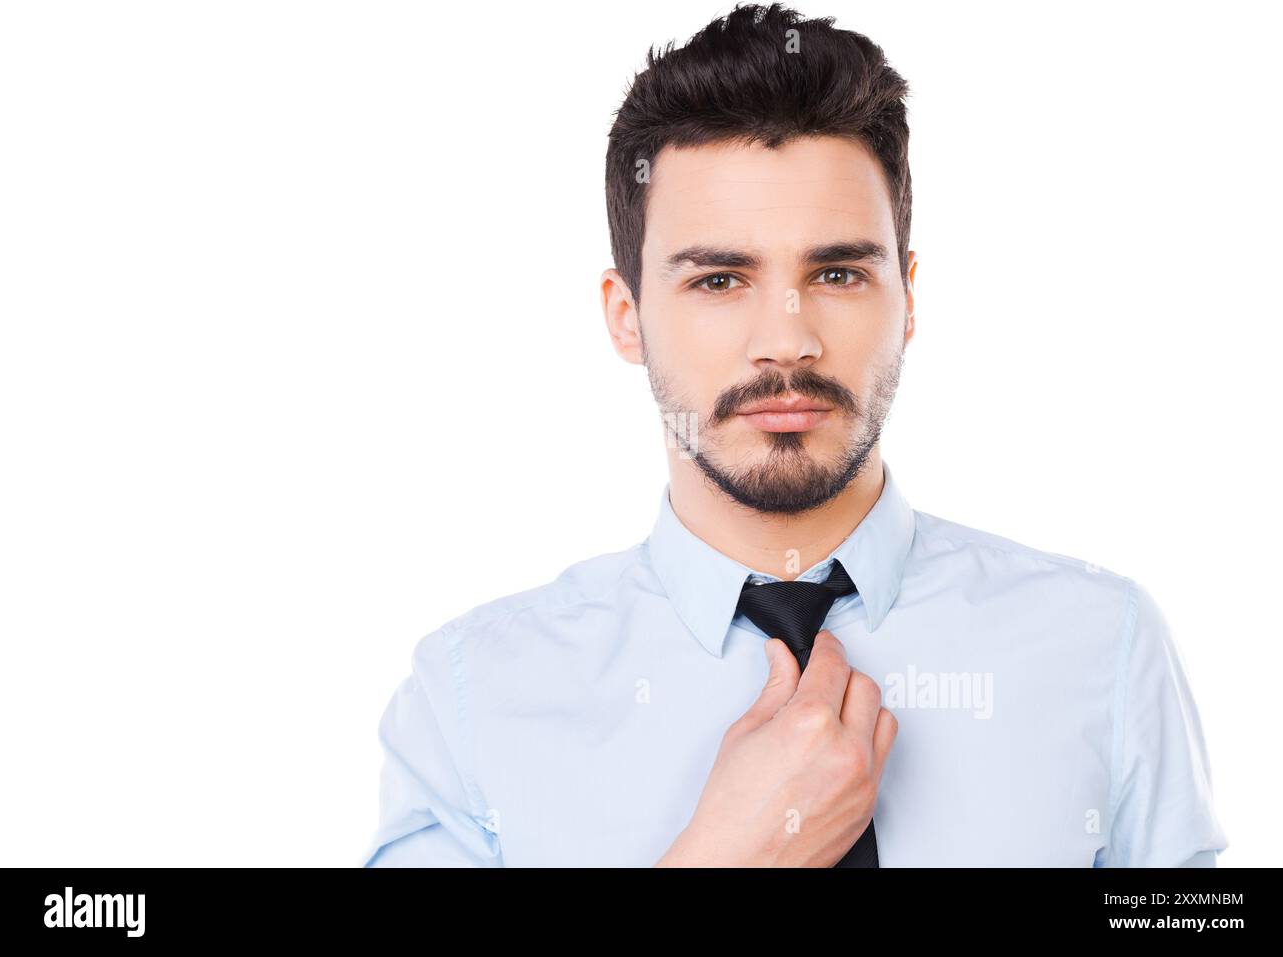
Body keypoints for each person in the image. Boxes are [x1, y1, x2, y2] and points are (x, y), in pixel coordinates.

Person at [361, 2, 1227, 867]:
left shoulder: (1102, 644)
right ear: (626, 318)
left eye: (839, 272)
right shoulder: (469, 705)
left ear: (910, 299)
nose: (786, 337)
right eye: (720, 280)